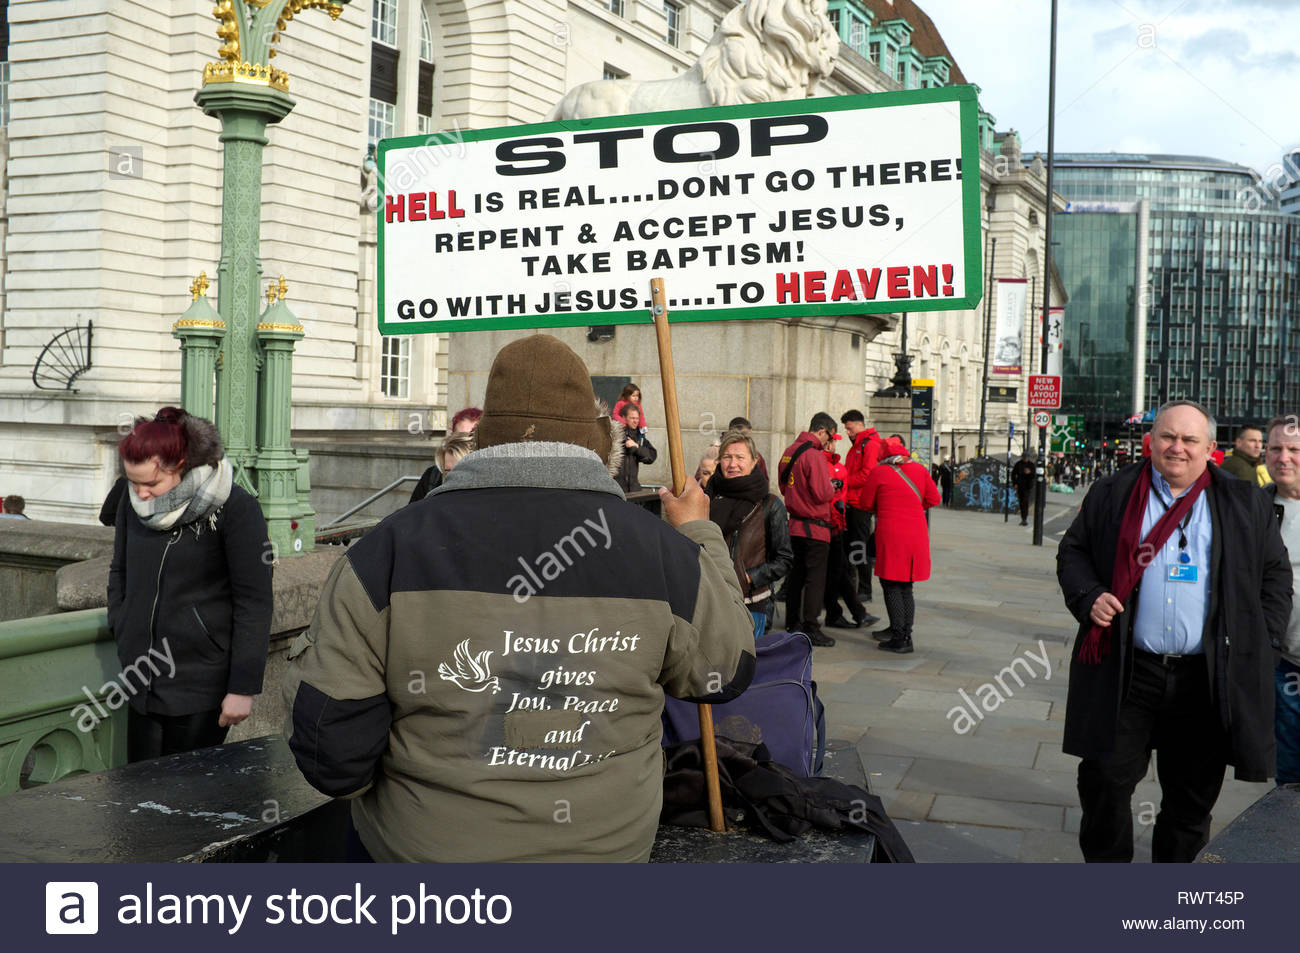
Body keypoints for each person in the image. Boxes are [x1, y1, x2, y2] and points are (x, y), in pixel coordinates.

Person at [283, 334, 755, 862]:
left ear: (484, 440)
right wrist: (699, 536)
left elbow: (332, 753)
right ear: (602, 444)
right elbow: (726, 669)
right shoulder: (664, 553)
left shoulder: (386, 551)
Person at [1056, 400, 1291, 863]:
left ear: (1210, 449)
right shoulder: (1112, 493)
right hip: (1126, 672)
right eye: (1168, 437)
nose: (1176, 448)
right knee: (1103, 784)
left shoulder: (1242, 503)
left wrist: (1261, 645)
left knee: (1189, 805)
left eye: (1189, 440)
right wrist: (1089, 596)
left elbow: (1274, 579)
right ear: (1151, 441)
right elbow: (1073, 552)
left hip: (1203, 681)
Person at [108, 408, 273, 762]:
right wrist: (121, 624)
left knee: (188, 807)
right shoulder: (130, 499)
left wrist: (242, 688)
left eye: (151, 484)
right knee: (139, 801)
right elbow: (119, 570)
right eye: (133, 481)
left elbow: (254, 602)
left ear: (181, 464)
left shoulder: (235, 507)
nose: (141, 493)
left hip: (202, 685)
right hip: (140, 677)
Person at [706, 430, 792, 638]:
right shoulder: (707, 498)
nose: (732, 464)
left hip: (750, 605)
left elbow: (784, 559)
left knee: (745, 667)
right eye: (727, 457)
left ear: (754, 462)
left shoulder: (769, 504)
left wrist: (748, 578)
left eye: (739, 457)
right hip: (709, 602)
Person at [861, 437, 940, 654]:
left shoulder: (879, 472)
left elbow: (865, 503)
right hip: (917, 533)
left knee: (891, 584)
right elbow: (934, 499)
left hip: (891, 534)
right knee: (906, 586)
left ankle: (899, 637)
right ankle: (906, 633)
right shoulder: (920, 470)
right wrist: (913, 505)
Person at [778, 413, 838, 647]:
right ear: (822, 431)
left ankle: (792, 621)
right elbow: (823, 493)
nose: (828, 442)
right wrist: (831, 488)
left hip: (794, 525)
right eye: (829, 436)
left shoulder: (789, 451)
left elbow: (784, 487)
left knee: (796, 576)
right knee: (815, 579)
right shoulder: (813, 455)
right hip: (815, 527)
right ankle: (811, 626)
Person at [1263, 413, 1300, 786]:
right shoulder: (1255, 508)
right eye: (1275, 448)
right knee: (1289, 772)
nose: (1283, 457)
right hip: (1284, 663)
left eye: (1293, 449)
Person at [823, 437, 879, 631]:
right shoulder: (828, 465)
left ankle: (840, 611)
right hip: (830, 524)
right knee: (839, 570)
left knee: (837, 570)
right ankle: (857, 612)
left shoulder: (841, 463)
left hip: (837, 522)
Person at [841, 409, 883, 602]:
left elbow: (868, 474)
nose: (848, 432)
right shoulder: (858, 444)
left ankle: (864, 590)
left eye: (849, 428)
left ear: (859, 424)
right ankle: (851, 588)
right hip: (851, 503)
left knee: (859, 547)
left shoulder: (870, 444)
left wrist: (844, 480)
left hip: (860, 505)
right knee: (852, 547)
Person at [409, 407, 483, 504]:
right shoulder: (433, 477)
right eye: (459, 437)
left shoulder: (493, 480)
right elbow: (413, 513)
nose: (464, 443)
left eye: (471, 437)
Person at [615, 404, 657, 493]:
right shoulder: (615, 436)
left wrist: (637, 447)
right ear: (623, 418)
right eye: (632, 418)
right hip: (616, 489)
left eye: (637, 418)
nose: (635, 421)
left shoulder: (639, 438)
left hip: (634, 490)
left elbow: (652, 456)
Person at [1012, 452, 1036, 525]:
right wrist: (1015, 483)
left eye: (1026, 457)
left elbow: (1034, 475)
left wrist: (1030, 473)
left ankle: (1024, 518)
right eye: (1024, 457)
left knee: (1025, 501)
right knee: (1021, 502)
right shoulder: (1018, 464)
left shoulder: (1031, 465)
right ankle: (1023, 518)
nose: (1025, 459)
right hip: (1020, 485)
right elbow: (1013, 474)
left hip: (1027, 486)